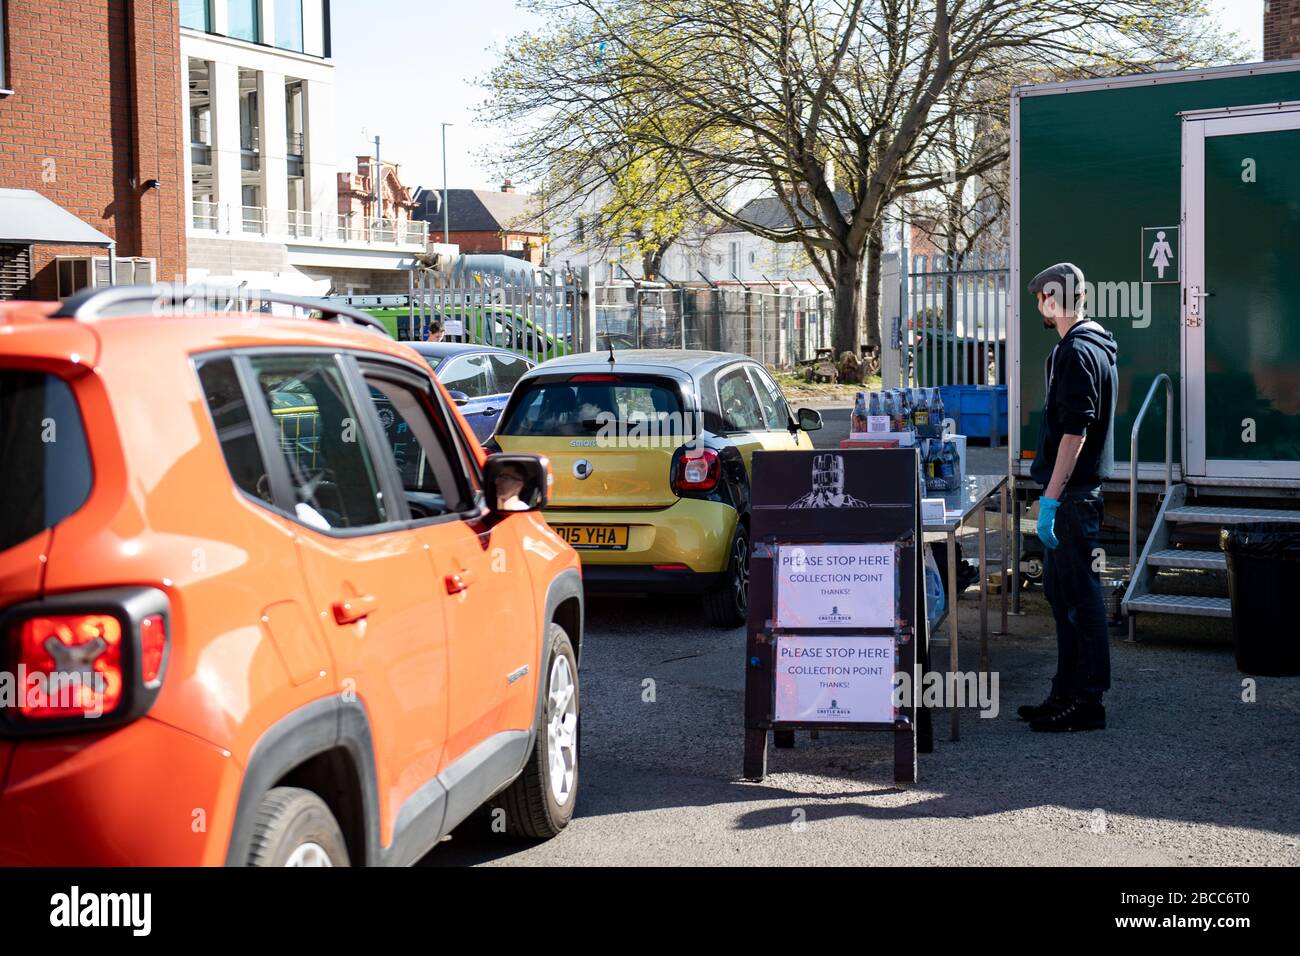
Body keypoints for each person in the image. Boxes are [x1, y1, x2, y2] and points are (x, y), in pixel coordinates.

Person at [1019, 262, 1118, 732]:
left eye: (1040, 296)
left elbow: (1074, 434)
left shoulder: (1078, 351)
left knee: (1080, 596)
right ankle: (1066, 690)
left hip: (1074, 497)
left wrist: (1052, 499)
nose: (1037, 304)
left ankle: (1088, 702)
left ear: (1053, 299)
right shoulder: (1085, 346)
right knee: (1063, 595)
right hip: (1073, 495)